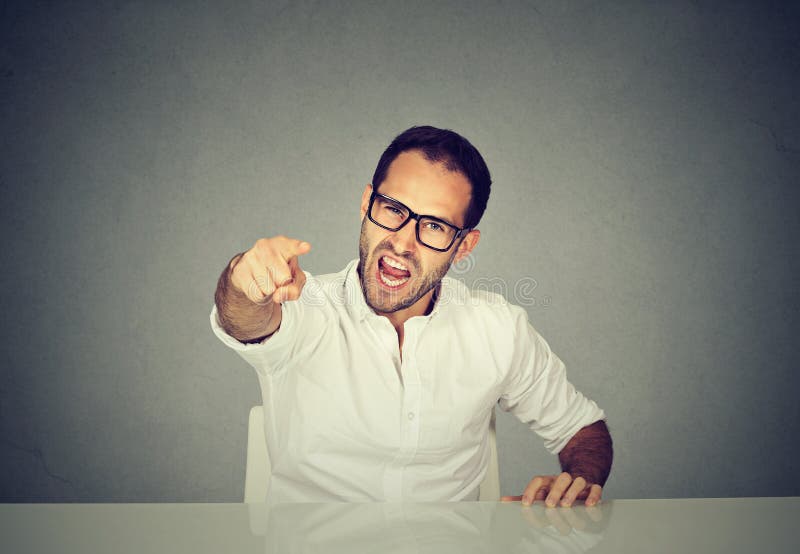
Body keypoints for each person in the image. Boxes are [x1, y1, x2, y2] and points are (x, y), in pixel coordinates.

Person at [211, 125, 613, 506]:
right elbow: (244, 319)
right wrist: (245, 279)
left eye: (435, 226)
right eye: (392, 209)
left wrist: (578, 481)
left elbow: (582, 428)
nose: (402, 242)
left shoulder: (498, 328)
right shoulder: (302, 306)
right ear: (367, 203)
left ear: (464, 246)